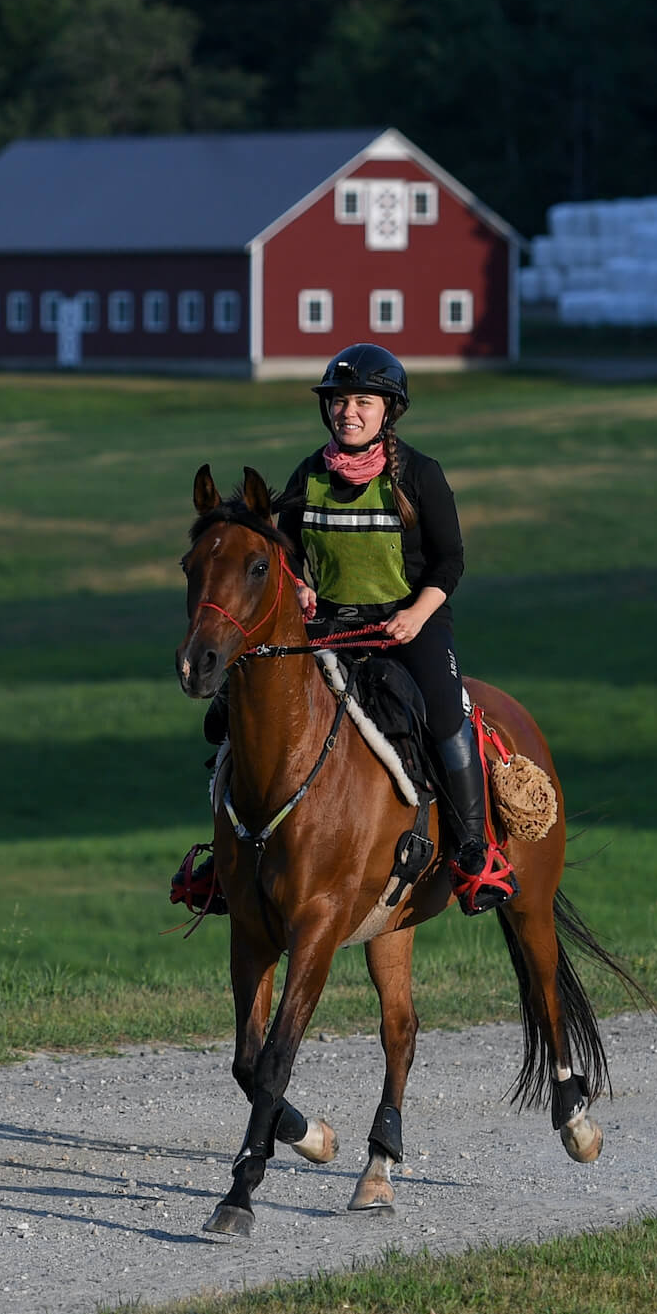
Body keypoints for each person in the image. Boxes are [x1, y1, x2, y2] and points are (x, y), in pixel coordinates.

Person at [276, 343, 515, 915]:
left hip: (410, 624)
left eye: (362, 401)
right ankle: (227, 857)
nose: (347, 412)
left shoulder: (422, 474)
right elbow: (282, 552)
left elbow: (450, 561)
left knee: (443, 709)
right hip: (330, 626)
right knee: (241, 703)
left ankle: (473, 853)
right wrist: (298, 585)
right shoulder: (307, 475)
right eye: (338, 402)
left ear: (390, 411)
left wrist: (416, 613)